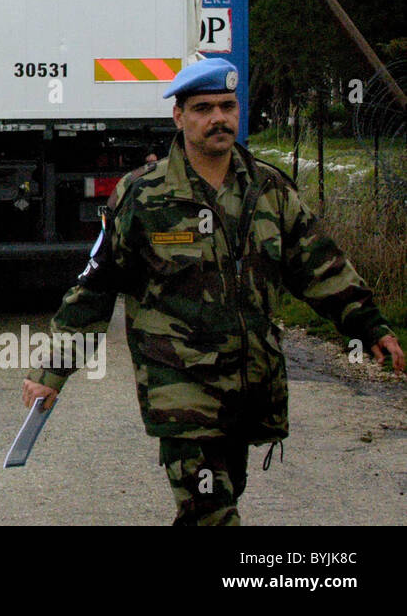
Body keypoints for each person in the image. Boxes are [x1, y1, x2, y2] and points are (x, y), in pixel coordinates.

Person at [20, 57, 403, 525]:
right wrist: (52, 371)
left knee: (220, 499)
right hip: (180, 388)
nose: (218, 118)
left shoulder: (269, 189)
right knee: (212, 512)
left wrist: (368, 326)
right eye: (203, 108)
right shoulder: (142, 196)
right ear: (179, 117)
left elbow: (319, 266)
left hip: (249, 383)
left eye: (227, 106)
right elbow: (95, 290)